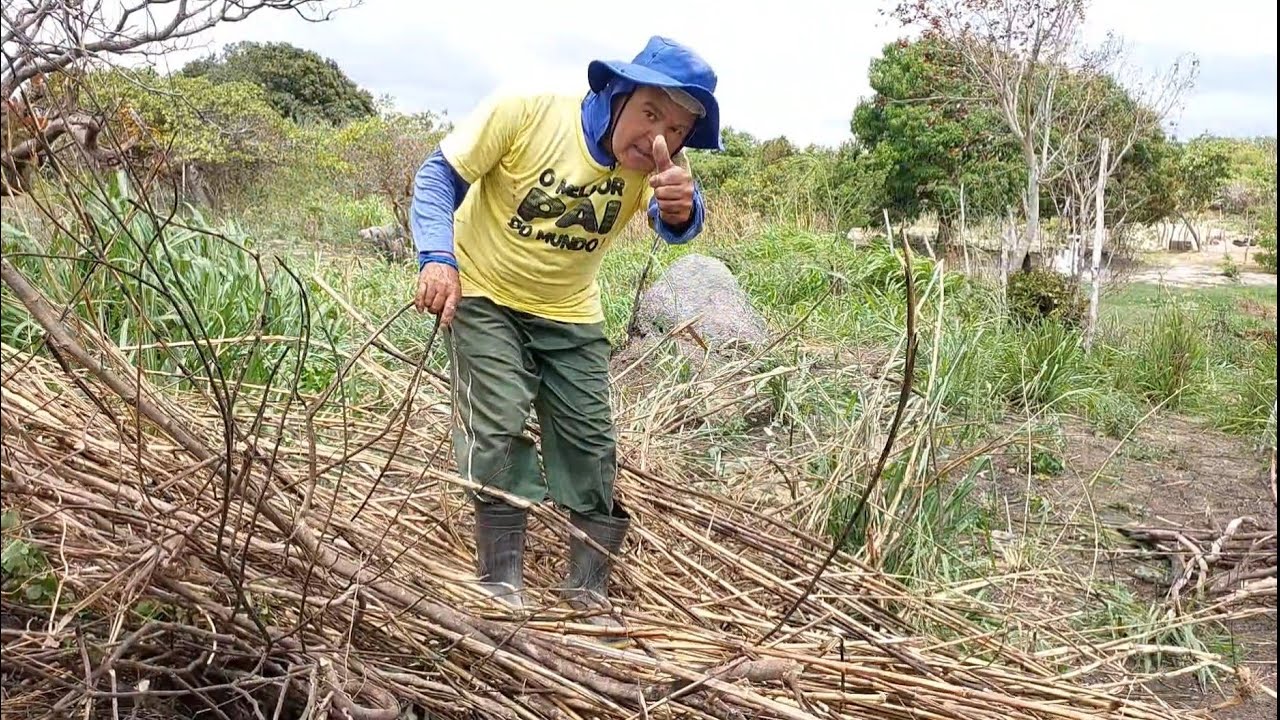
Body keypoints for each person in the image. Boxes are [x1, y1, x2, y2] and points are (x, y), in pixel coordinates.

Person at [408, 36, 722, 627]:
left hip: (570, 311)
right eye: (651, 113)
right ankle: (501, 584)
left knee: (592, 444)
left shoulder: (658, 168)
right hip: (483, 293)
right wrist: (436, 255)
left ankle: (587, 591)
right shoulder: (526, 114)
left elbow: (674, 216)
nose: (660, 136)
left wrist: (683, 210)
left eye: (678, 128)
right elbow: (436, 177)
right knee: (496, 422)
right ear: (616, 94)